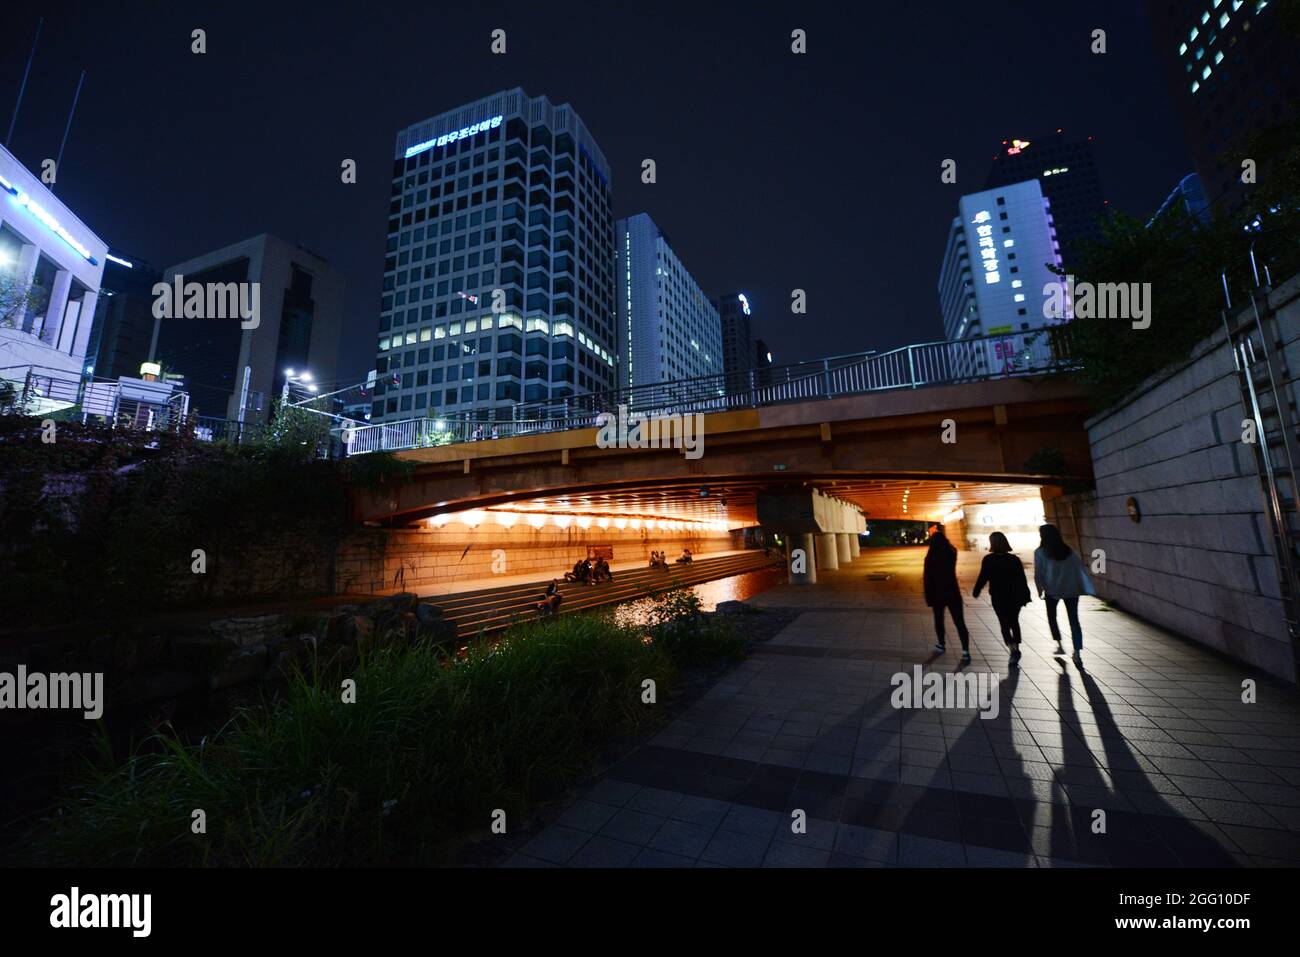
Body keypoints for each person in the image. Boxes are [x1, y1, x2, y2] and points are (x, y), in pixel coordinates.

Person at [1033, 524, 1096, 663]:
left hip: (1052, 590)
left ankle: (1059, 643)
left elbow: (1038, 574)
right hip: (1071, 590)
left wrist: (1040, 590)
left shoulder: (1040, 552)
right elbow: (1079, 568)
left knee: (1052, 616)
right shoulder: (1069, 551)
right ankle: (1077, 652)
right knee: (1074, 620)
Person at [972, 532, 1032, 668]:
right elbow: (1021, 579)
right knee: (1014, 621)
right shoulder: (1014, 559)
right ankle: (1016, 647)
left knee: (1003, 622)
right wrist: (1026, 596)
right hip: (1015, 597)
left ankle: (1012, 649)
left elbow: (983, 576)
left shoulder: (988, 559)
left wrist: (977, 590)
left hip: (998, 596)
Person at [923, 528, 971, 662]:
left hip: (937, 594)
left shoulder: (930, 557)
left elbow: (927, 579)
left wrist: (928, 597)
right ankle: (965, 651)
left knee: (939, 620)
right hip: (953, 592)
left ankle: (942, 644)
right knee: (959, 622)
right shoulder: (952, 553)